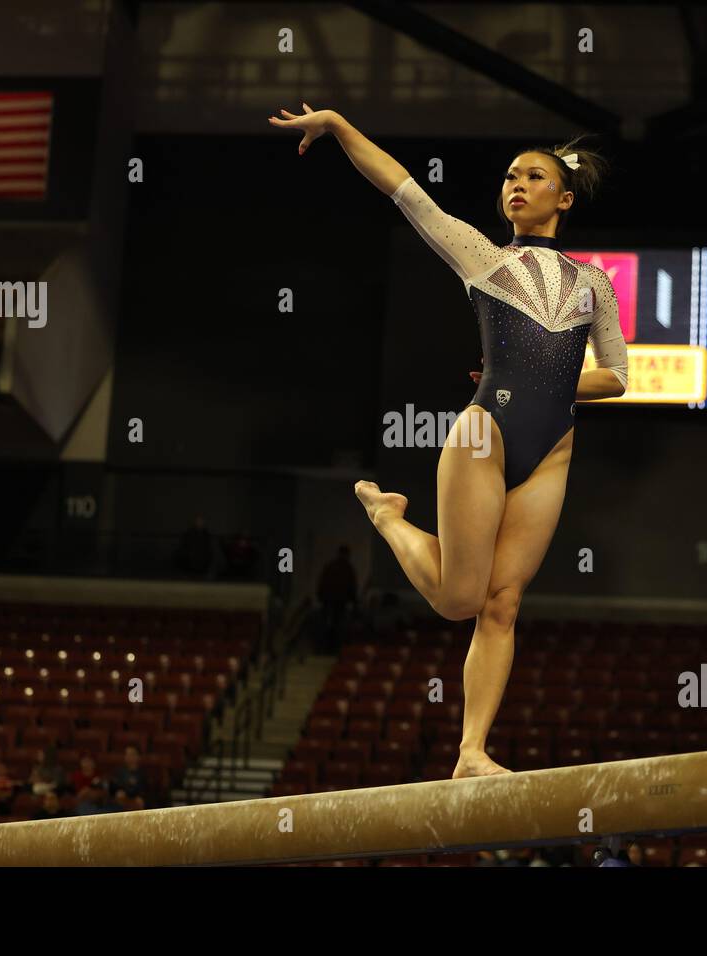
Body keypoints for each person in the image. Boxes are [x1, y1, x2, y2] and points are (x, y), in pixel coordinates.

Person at [268, 105, 627, 778]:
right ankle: (386, 517)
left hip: (552, 446)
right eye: (509, 177)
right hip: (485, 431)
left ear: (565, 196)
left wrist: (557, 387)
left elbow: (618, 377)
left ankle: (470, 751)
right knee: (459, 600)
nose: (515, 185)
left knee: (504, 602)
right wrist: (344, 127)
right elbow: (405, 190)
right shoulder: (483, 256)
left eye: (533, 176)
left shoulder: (594, 284)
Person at [316, 544, 358, 653]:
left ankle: (325, 648)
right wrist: (353, 601)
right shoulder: (347, 569)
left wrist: (321, 597)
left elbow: (322, 583)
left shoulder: (331, 566)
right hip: (339, 601)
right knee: (337, 625)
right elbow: (351, 587)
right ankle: (333, 649)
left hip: (329, 600)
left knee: (328, 624)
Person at [110, 745, 148, 810]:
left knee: (139, 801)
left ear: (138, 756)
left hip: (136, 800)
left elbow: (143, 791)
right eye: (127, 754)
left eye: (132, 754)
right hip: (122, 800)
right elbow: (114, 787)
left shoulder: (142, 774)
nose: (129, 757)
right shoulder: (119, 772)